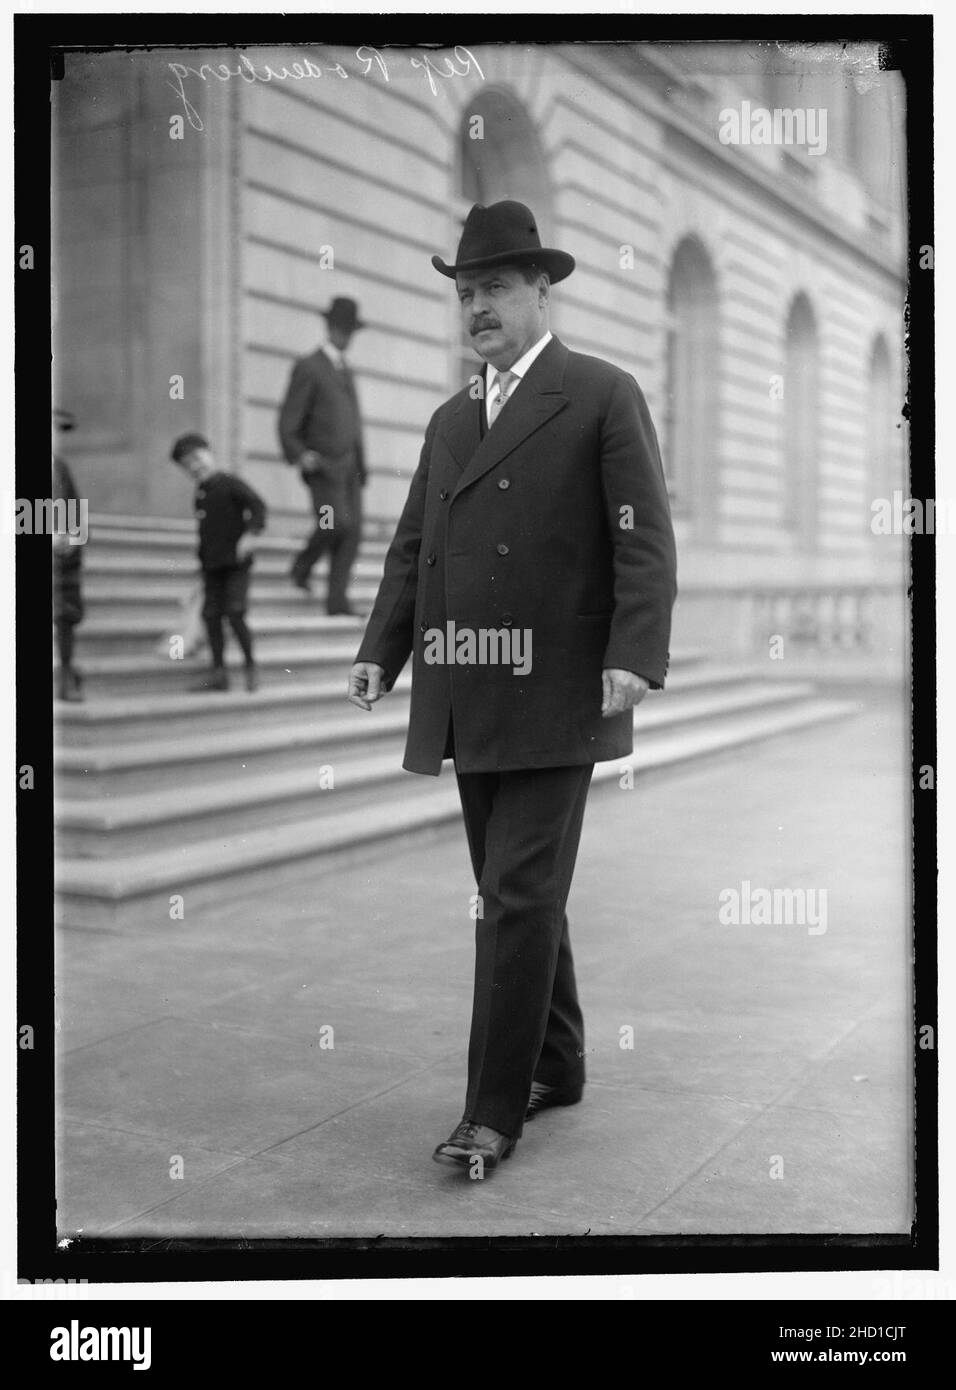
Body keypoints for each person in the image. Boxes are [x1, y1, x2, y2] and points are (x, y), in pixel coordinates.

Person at [348, 200, 678, 1173]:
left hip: (557, 689)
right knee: (515, 894)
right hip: (467, 685)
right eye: (463, 291)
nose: (475, 307)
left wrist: (633, 650)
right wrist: (383, 646)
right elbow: (415, 546)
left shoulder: (600, 393)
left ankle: (491, 1110)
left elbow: (642, 537)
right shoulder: (450, 417)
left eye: (493, 287)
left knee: (516, 894)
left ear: (541, 288)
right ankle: (560, 1060)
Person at [277, 296, 368, 614]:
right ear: (329, 328)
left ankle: (337, 601)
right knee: (335, 524)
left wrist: (361, 464)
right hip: (322, 464)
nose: (346, 337)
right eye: (341, 329)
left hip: (350, 468)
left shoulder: (347, 370)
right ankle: (301, 567)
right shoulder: (309, 366)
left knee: (353, 532)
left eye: (350, 331)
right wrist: (300, 454)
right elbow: (288, 418)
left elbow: (354, 422)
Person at [169, 432, 267, 693]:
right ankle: (218, 673)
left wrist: (250, 534)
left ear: (210, 454)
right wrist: (201, 569)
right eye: (187, 464)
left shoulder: (229, 482)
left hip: (236, 565)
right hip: (212, 567)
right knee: (210, 616)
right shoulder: (200, 494)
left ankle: (250, 666)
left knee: (235, 613)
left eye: (197, 458)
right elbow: (206, 534)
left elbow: (258, 506)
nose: (194, 466)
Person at [53, 408, 85, 702]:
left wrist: (73, 539)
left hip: (62, 560)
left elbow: (75, 512)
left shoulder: (59, 467)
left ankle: (65, 673)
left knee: (66, 615)